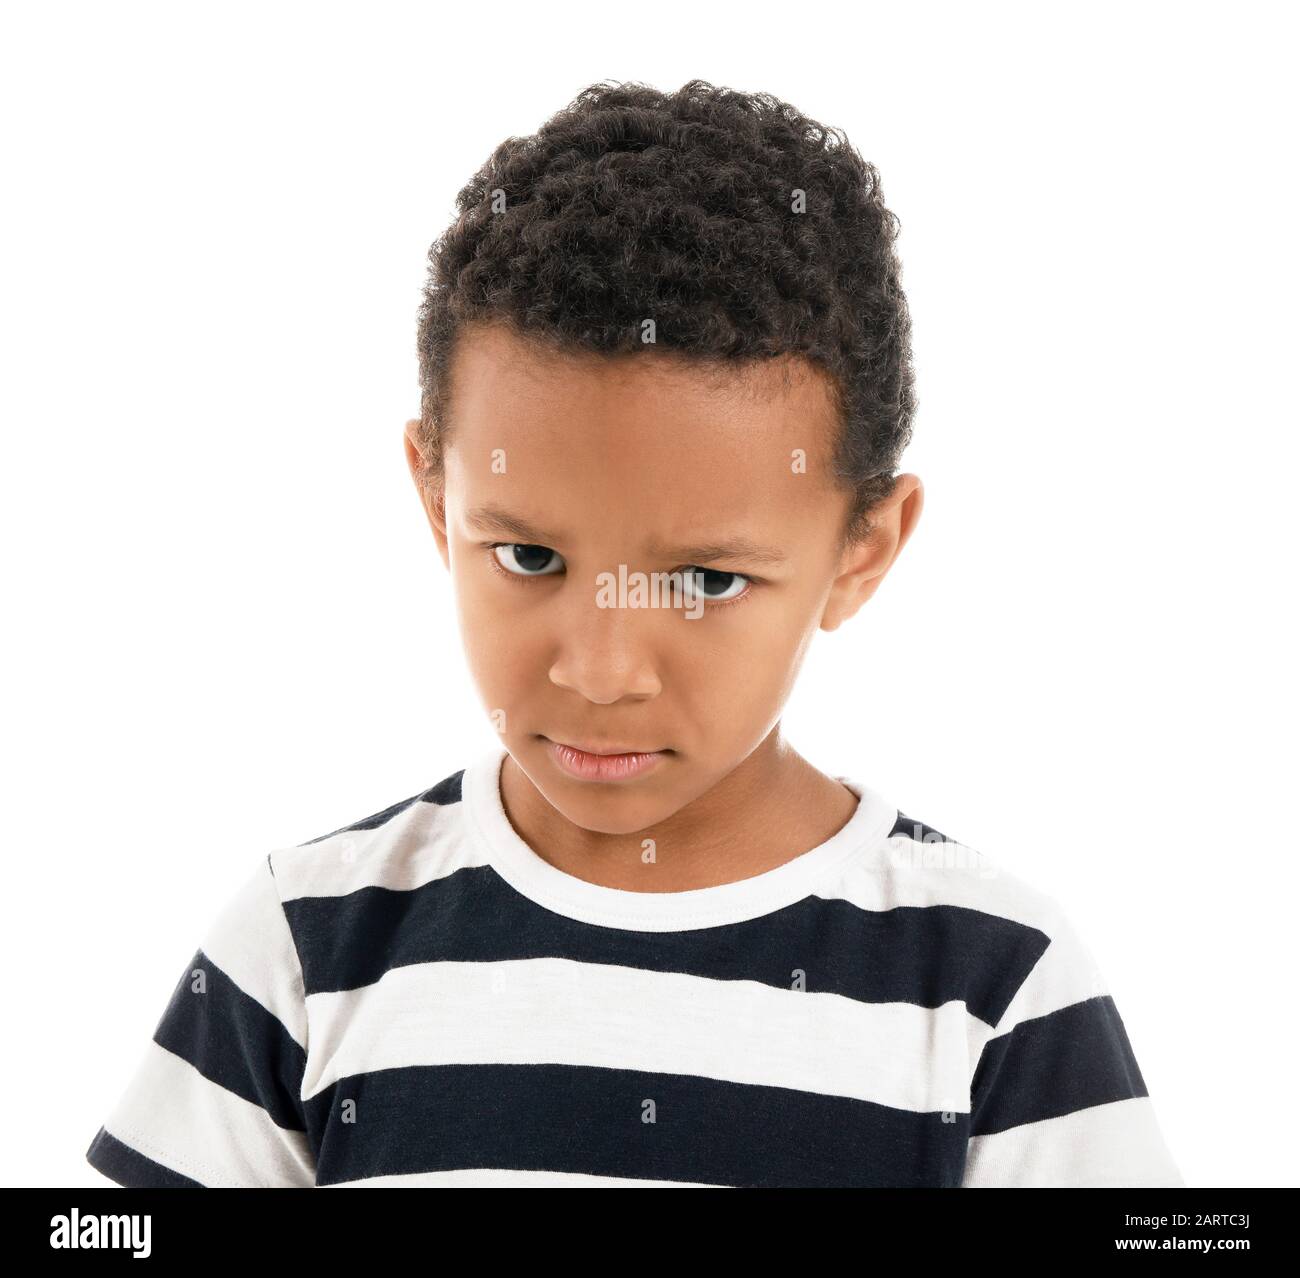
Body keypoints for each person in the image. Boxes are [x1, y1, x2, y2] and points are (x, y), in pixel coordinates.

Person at [86, 78, 1183, 1188]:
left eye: (705, 579)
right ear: (436, 497)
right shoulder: (303, 952)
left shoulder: (994, 992)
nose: (601, 671)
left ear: (861, 549)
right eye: (529, 557)